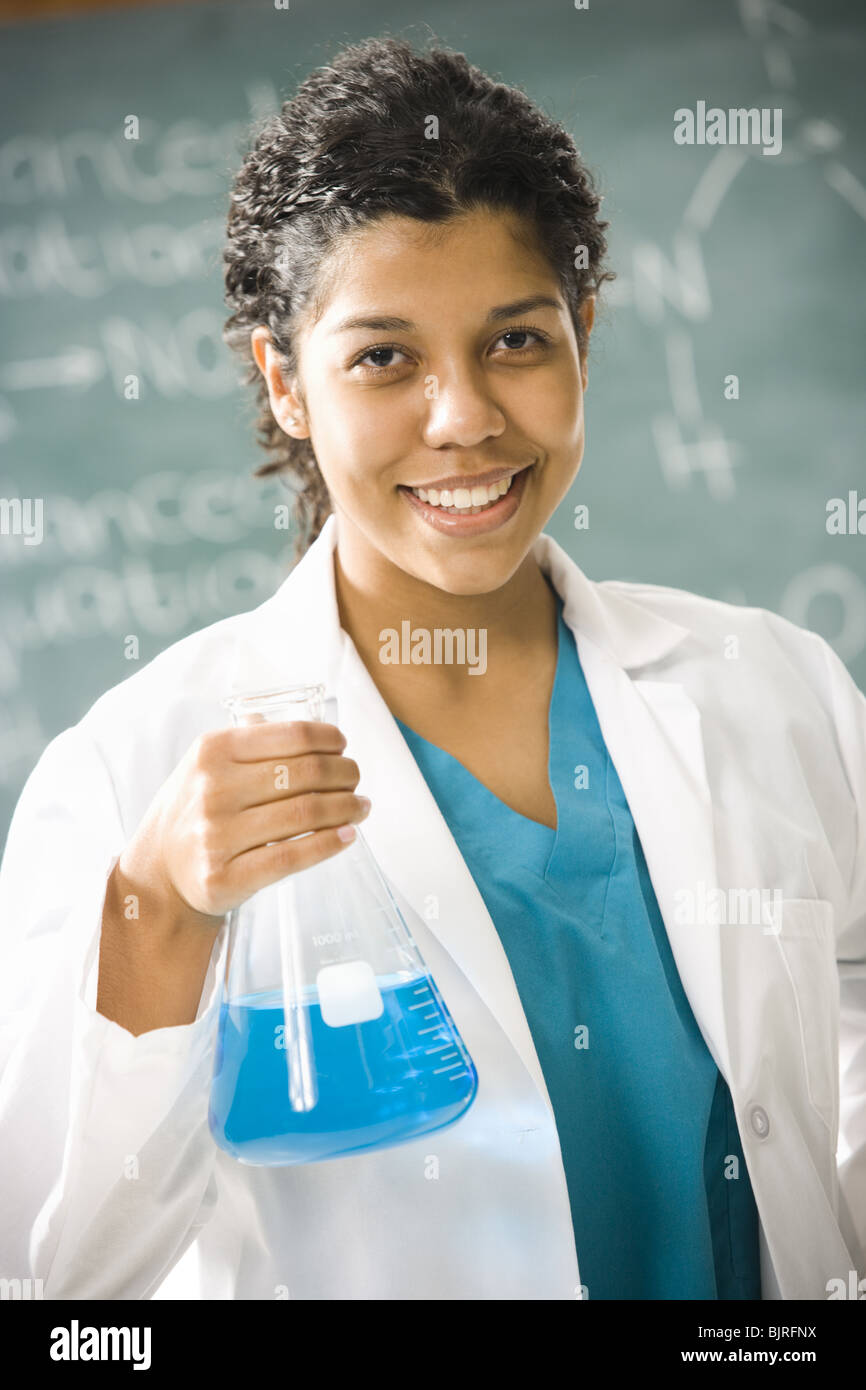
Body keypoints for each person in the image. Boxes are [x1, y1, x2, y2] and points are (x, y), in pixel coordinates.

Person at [0, 35, 864, 1302]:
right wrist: (162, 912)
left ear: (583, 333)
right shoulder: (129, 774)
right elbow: (59, 1284)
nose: (462, 416)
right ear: (284, 381)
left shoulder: (769, 686)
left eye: (515, 340)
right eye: (383, 357)